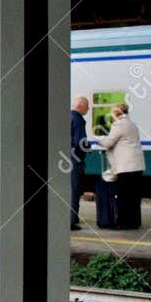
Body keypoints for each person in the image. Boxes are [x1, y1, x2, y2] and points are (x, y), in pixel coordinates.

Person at [93, 101, 146, 230]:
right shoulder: (132, 124)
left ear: (116, 113)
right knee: (134, 196)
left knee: (123, 195)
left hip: (126, 166)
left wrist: (96, 139)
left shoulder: (119, 125)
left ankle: (123, 223)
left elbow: (108, 143)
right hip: (137, 165)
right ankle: (134, 222)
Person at [69, 95, 90, 230]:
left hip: (66, 157)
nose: (88, 109)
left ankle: (71, 218)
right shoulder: (78, 120)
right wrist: (88, 148)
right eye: (87, 106)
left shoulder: (67, 116)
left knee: (69, 189)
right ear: (80, 106)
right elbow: (80, 142)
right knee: (74, 190)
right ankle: (71, 221)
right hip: (75, 159)